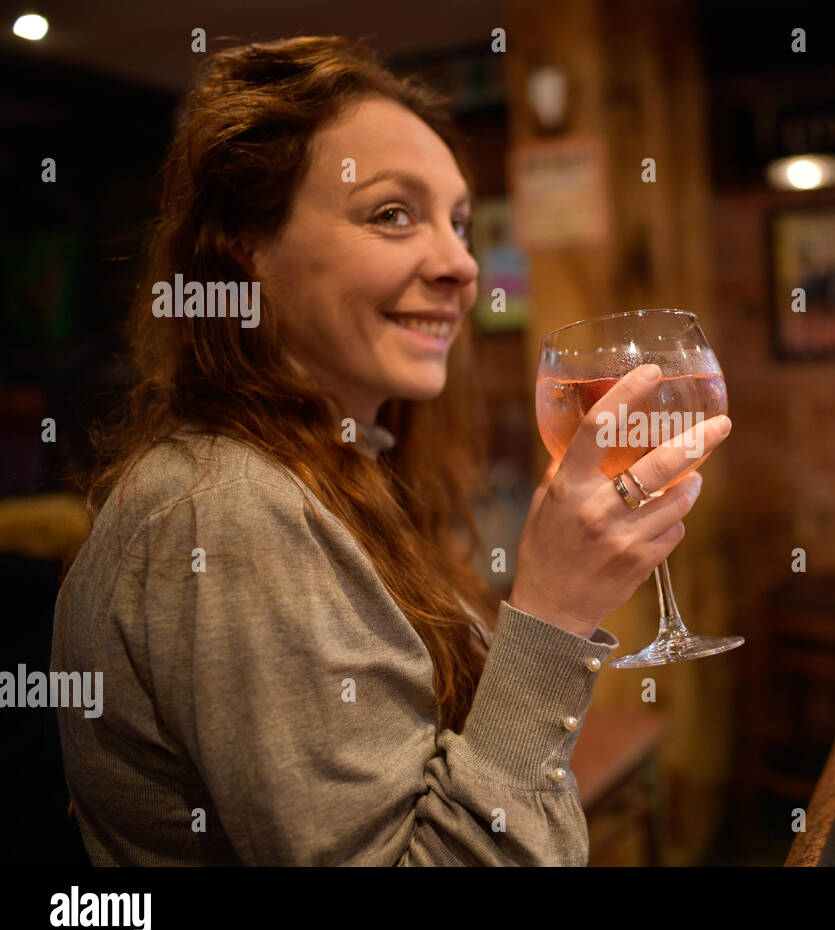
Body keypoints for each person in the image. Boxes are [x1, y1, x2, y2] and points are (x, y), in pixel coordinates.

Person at [50, 35, 730, 866]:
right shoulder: (222, 515)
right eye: (391, 214)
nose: (460, 266)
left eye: (461, 224)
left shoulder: (346, 465)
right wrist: (554, 611)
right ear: (247, 253)